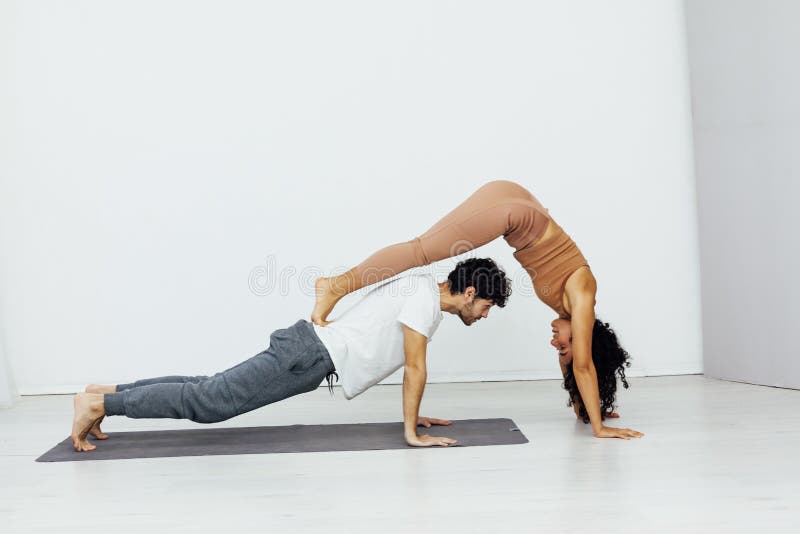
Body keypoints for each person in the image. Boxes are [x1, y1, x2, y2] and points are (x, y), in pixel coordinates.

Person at [311, 180, 643, 440]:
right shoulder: (584, 296)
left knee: (423, 248)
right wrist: (599, 428)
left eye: (559, 351)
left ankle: (337, 285)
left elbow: (575, 367)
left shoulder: (568, 307)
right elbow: (583, 365)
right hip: (513, 211)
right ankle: (336, 285)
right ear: (587, 337)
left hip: (516, 206)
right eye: (564, 346)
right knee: (421, 251)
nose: (556, 345)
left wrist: (584, 408)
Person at [70, 258, 512, 452]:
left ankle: (104, 393)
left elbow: (400, 358)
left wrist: (415, 415)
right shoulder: (424, 299)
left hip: (306, 355)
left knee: (206, 388)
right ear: (471, 292)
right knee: (210, 403)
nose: (485, 316)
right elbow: (415, 367)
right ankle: (100, 403)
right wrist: (412, 433)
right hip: (306, 356)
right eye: (486, 308)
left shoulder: (425, 299)